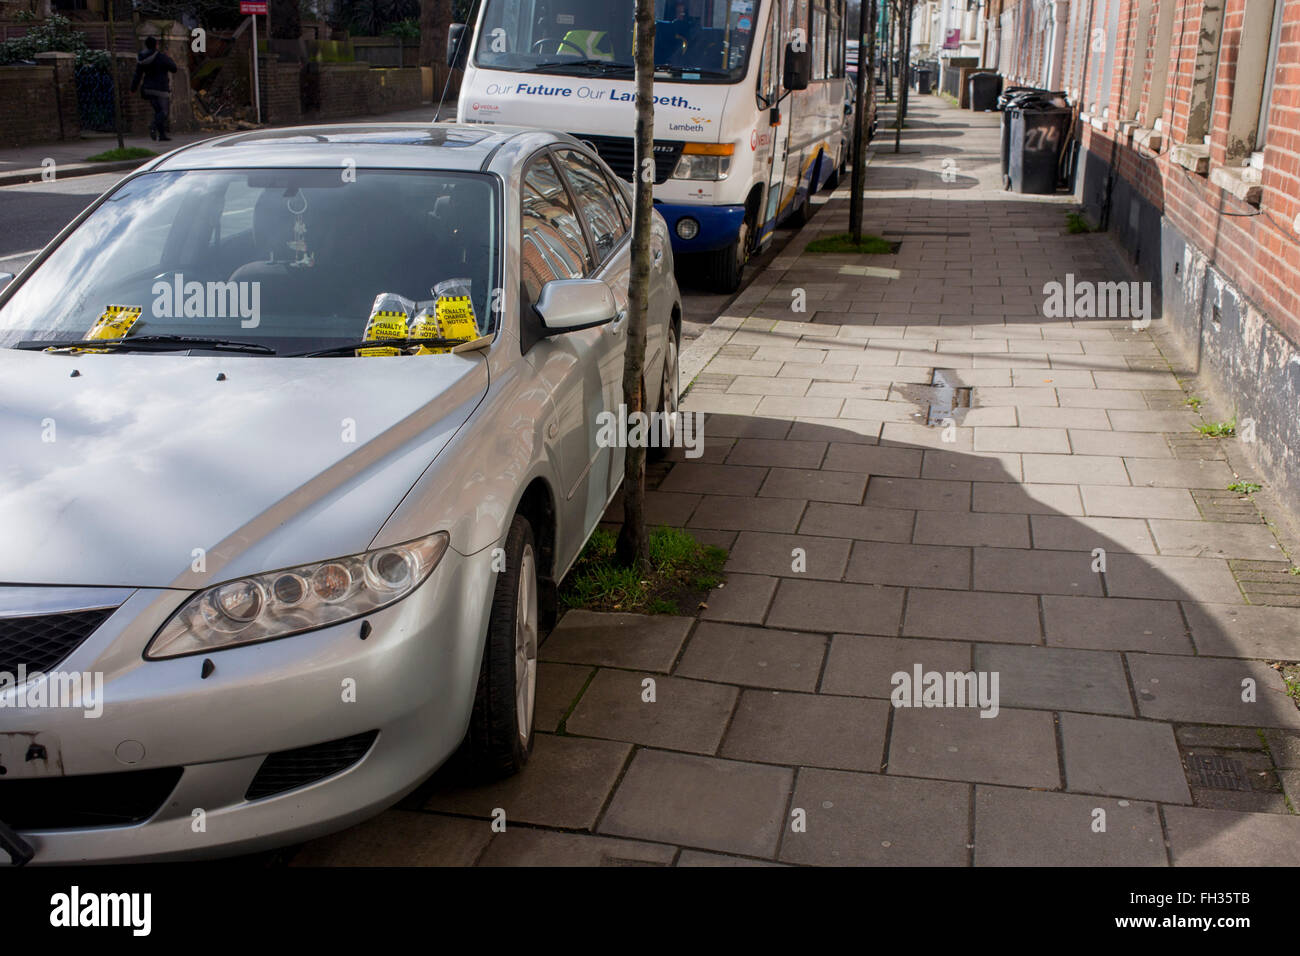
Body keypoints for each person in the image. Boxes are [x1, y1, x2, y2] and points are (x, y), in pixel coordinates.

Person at [130, 36, 178, 142]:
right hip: (161, 88)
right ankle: (153, 125)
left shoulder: (142, 58)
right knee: (164, 112)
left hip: (148, 89)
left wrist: (133, 88)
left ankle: (162, 135)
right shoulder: (161, 57)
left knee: (158, 111)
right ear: (156, 45)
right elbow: (174, 68)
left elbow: (137, 74)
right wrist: (168, 58)